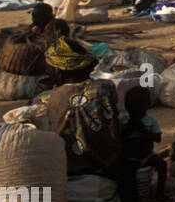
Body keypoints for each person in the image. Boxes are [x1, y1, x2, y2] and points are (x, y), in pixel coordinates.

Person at [31, 37, 121, 175]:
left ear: (58, 71)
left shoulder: (44, 99)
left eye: (49, 68)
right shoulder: (103, 88)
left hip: (62, 169)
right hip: (104, 167)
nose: (47, 72)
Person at [112, 85, 167, 202]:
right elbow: (119, 140)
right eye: (131, 106)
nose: (134, 109)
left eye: (138, 106)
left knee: (162, 165)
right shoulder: (124, 121)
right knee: (127, 174)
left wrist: (143, 130)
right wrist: (128, 129)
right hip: (130, 158)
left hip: (147, 155)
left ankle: (160, 194)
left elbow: (157, 138)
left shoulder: (150, 121)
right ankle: (133, 199)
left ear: (146, 105)